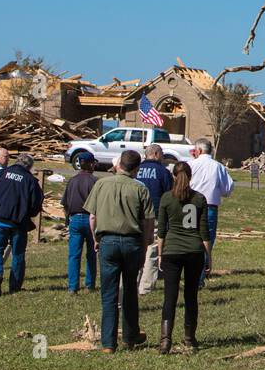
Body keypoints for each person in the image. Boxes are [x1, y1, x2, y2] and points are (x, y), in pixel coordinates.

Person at [84, 150, 154, 353]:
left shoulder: (101, 184)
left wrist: (96, 239)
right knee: (130, 290)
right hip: (132, 242)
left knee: (109, 293)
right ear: (136, 168)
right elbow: (148, 222)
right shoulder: (140, 188)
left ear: (119, 165)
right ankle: (130, 337)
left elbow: (92, 217)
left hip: (108, 241)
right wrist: (146, 245)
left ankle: (108, 342)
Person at [156, 161, 210, 354]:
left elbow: (161, 231)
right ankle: (189, 337)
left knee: (169, 297)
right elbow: (204, 232)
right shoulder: (199, 199)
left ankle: (165, 340)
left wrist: (160, 254)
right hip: (194, 250)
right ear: (191, 176)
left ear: (173, 176)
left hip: (172, 250)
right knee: (191, 296)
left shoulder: (166, 198)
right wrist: (208, 256)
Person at [0, 152, 43, 296]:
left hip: (0, 221)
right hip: (19, 224)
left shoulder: (1, 174)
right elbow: (36, 203)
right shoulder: (30, 180)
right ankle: (15, 286)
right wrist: (28, 215)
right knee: (18, 254)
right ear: (30, 166)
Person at [186, 139, 232, 284]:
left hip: (191, 206)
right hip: (210, 206)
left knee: (189, 238)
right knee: (206, 241)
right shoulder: (218, 167)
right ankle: (199, 277)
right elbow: (228, 188)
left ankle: (190, 275)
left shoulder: (190, 165)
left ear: (198, 151)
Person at [134, 144, 174, 296]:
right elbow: (169, 195)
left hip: (136, 216)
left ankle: (133, 282)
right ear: (156, 154)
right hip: (154, 216)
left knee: (137, 249)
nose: (163, 157)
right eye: (162, 154)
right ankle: (145, 287)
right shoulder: (163, 172)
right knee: (151, 250)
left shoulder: (136, 170)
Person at [61, 153, 99, 294]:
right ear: (90, 164)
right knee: (92, 253)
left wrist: (68, 219)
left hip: (75, 218)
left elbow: (65, 203)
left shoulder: (72, 181)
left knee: (74, 255)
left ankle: (72, 286)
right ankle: (89, 285)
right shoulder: (95, 181)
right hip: (91, 218)